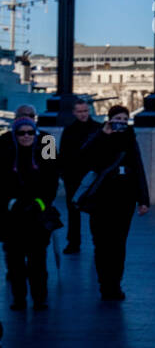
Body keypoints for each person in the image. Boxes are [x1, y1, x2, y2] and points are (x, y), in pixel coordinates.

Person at [76, 105, 150, 300]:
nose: (121, 123)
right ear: (109, 119)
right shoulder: (98, 135)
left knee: (118, 244)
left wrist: (144, 199)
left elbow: (138, 168)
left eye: (125, 119)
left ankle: (115, 284)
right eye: (118, 118)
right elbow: (83, 155)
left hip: (124, 198)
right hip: (101, 197)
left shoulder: (130, 138)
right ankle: (104, 283)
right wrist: (103, 134)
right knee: (101, 243)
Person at [0, 115, 58, 310]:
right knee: (15, 260)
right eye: (21, 133)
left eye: (30, 132)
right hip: (13, 213)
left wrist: (41, 202)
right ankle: (19, 298)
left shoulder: (48, 142)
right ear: (14, 134)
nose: (26, 136)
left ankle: (40, 297)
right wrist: (10, 201)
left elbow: (53, 177)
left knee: (37, 259)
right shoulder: (5, 146)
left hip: (37, 212)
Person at [57, 98, 99, 255]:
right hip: (74, 177)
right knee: (74, 212)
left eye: (85, 111)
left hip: (91, 176)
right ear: (74, 112)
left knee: (93, 212)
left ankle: (89, 242)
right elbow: (63, 155)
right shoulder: (71, 130)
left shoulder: (96, 128)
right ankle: (74, 242)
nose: (83, 114)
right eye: (80, 111)